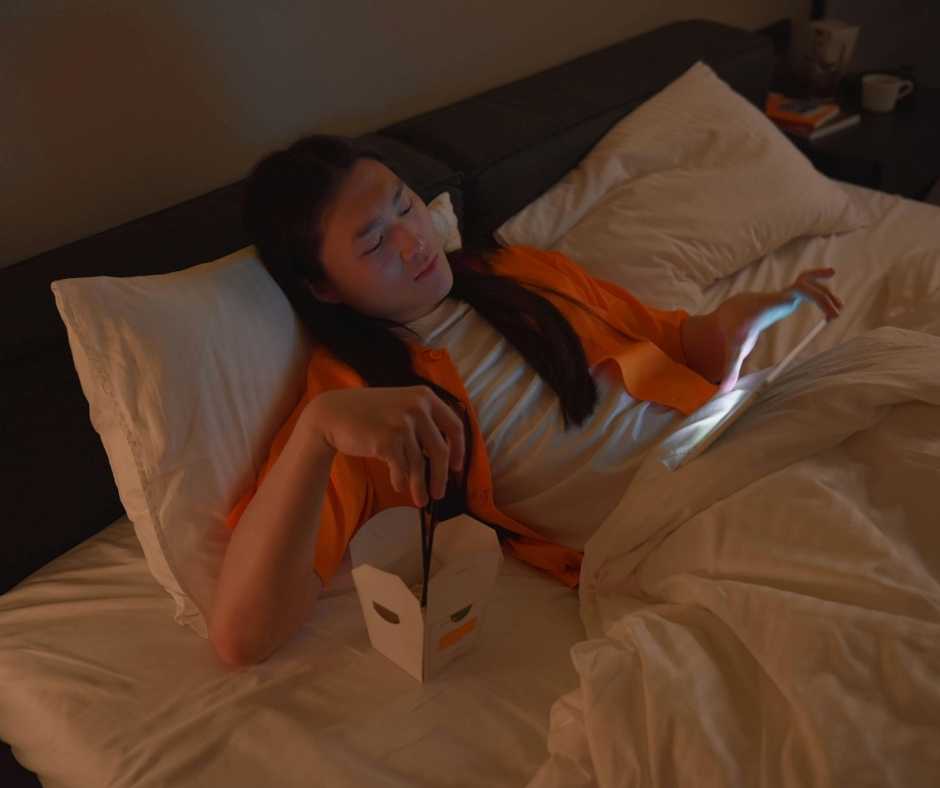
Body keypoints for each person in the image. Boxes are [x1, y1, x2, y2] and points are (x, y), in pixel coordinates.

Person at [209, 134, 842, 667]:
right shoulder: (357, 397)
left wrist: (735, 326)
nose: (414, 241)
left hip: (735, 441)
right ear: (322, 286)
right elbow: (244, 634)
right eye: (374, 243)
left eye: (405, 207)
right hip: (663, 528)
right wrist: (317, 431)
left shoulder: (523, 273)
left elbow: (682, 348)